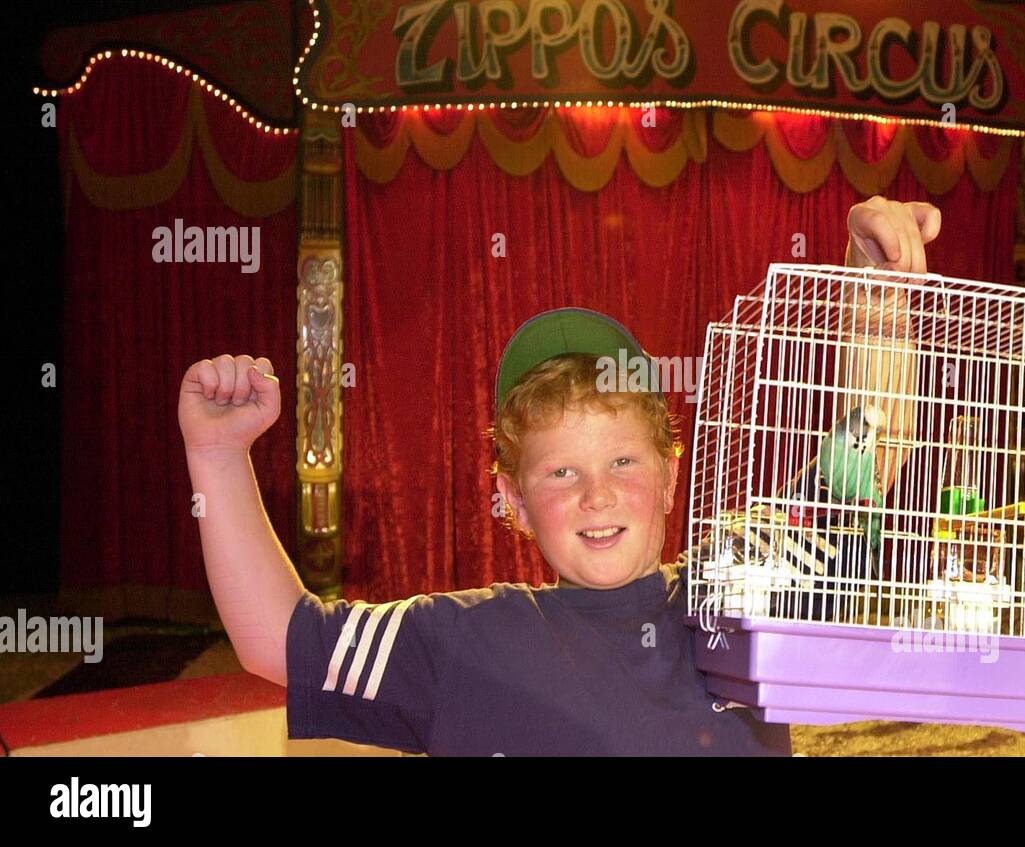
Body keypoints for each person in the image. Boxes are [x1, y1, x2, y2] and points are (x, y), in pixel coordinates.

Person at [177, 196, 940, 755]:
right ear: (511, 500)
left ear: (672, 478)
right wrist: (217, 456)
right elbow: (279, 641)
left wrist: (875, 298)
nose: (596, 493)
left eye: (622, 461)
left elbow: (870, 449)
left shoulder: (735, 585)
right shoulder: (463, 640)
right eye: (561, 471)